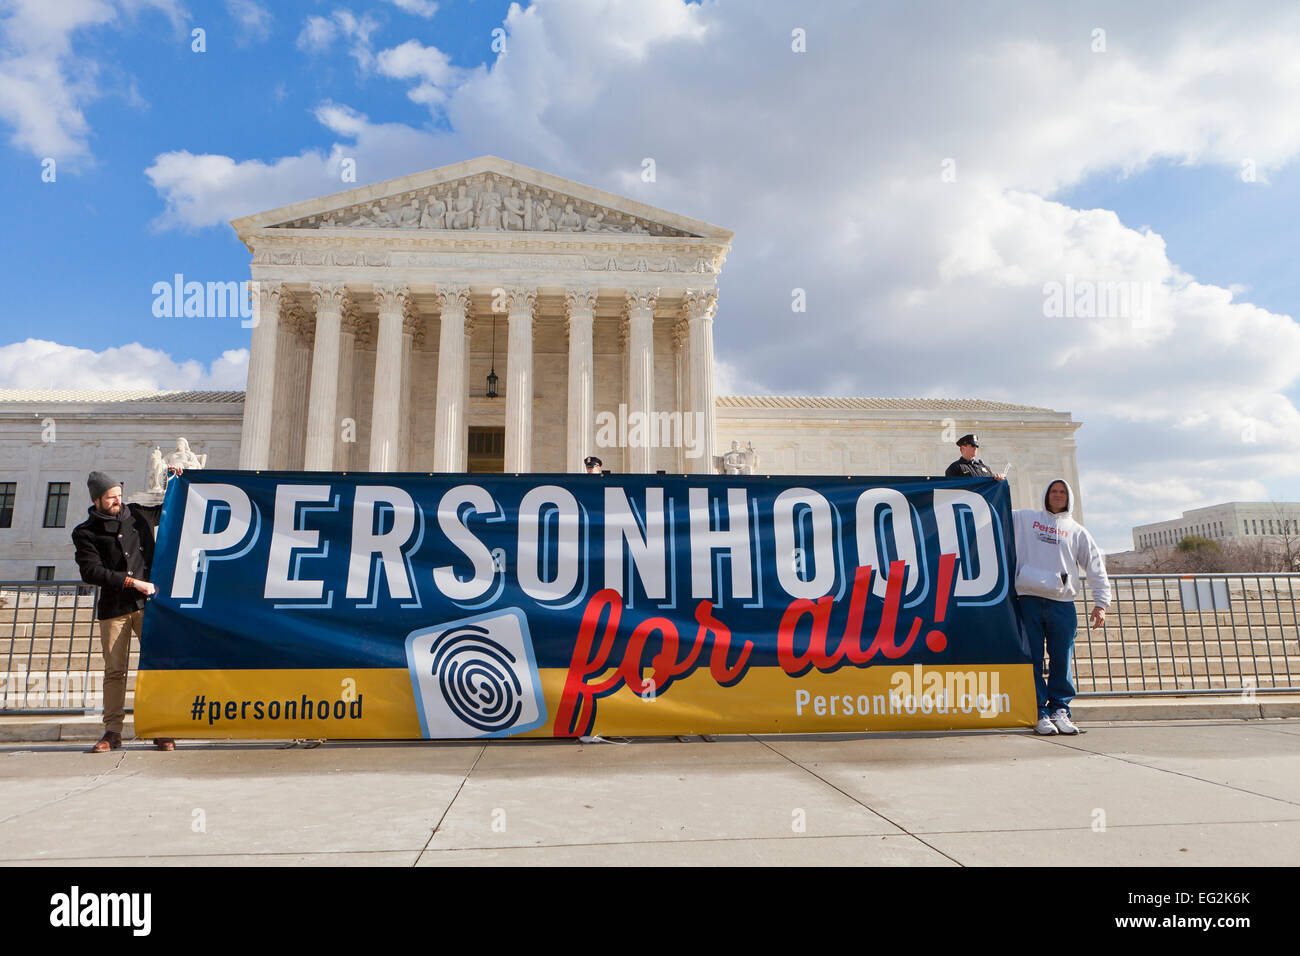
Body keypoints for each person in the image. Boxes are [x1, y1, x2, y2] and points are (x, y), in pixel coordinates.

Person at [71, 467, 182, 753]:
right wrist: (133, 582)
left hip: (149, 607)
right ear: (96, 500)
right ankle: (112, 732)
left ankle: (161, 728)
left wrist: (176, 480)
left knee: (158, 668)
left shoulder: (138, 514)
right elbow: (91, 571)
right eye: (111, 497)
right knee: (115, 672)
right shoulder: (85, 532)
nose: (117, 501)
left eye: (119, 495)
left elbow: (169, 510)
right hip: (114, 608)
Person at [1012, 477, 1110, 735]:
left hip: (1062, 603)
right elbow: (995, 508)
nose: (1057, 495)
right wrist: (991, 480)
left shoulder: (1077, 531)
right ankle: (1038, 712)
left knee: (1061, 659)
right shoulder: (1025, 519)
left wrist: (1101, 603)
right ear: (1046, 494)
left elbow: (1095, 567)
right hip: (1028, 600)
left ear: (1069, 498)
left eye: (1062, 492)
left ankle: (1060, 709)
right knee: (1031, 659)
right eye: (1053, 491)